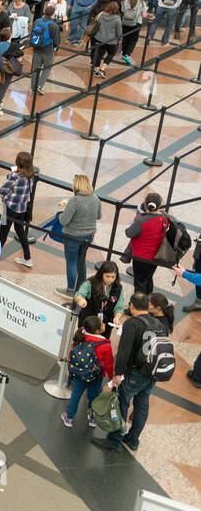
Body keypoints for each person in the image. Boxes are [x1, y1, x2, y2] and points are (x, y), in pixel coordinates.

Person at [92, 293, 169, 454]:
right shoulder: (159, 323)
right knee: (142, 405)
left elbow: (124, 352)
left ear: (132, 306)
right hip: (152, 372)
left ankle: (114, 440)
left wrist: (117, 374)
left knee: (121, 404)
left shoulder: (132, 323)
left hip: (134, 373)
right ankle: (133, 439)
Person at [61, 315, 113, 429]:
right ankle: (92, 419)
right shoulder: (105, 345)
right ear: (97, 330)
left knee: (75, 395)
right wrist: (111, 377)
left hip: (79, 374)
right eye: (102, 324)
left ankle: (69, 417)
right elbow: (109, 363)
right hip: (96, 376)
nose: (104, 324)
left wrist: (69, 369)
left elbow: (72, 353)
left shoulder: (80, 337)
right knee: (94, 397)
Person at [58, 175, 102, 295]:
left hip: (73, 235)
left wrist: (62, 211)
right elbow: (98, 216)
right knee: (81, 261)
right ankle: (82, 288)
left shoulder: (74, 201)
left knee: (71, 262)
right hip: (89, 236)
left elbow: (64, 221)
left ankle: (71, 290)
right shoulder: (96, 198)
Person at [0, 151, 38, 267]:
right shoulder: (32, 176)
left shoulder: (14, 176)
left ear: (18, 163)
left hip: (8, 208)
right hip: (22, 209)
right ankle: (27, 258)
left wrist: (10, 175)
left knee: (3, 232)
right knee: (21, 232)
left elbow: (3, 190)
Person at [124, 193, 169, 296]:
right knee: (148, 279)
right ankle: (149, 302)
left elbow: (128, 233)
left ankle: (139, 307)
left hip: (140, 257)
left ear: (145, 203)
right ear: (159, 205)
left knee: (139, 283)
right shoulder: (165, 218)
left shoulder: (141, 220)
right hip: (155, 257)